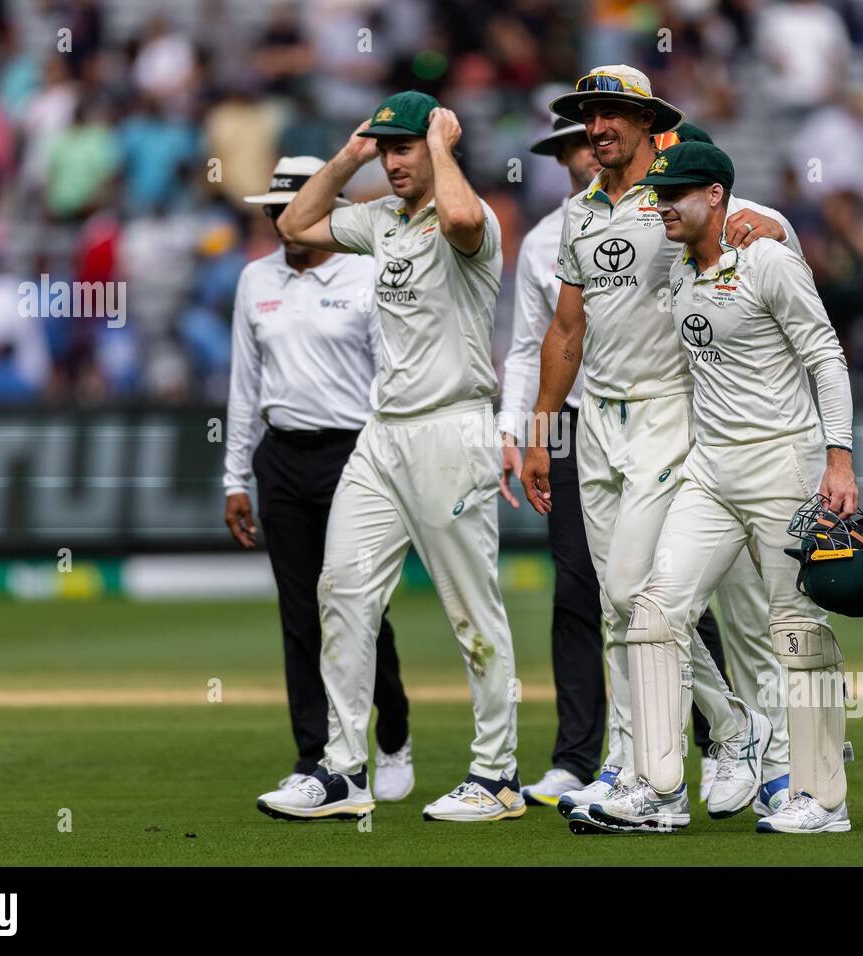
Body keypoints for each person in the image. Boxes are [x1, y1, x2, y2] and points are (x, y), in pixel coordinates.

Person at [521, 65, 798, 833]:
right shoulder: (578, 213)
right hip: (597, 424)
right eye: (589, 116)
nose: (598, 127)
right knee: (621, 606)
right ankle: (674, 748)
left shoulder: (676, 196)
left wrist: (775, 228)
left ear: (648, 123)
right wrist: (546, 431)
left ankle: (674, 764)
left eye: (612, 114)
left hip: (668, 416)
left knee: (634, 598)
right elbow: (566, 331)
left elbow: (758, 226)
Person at [593, 141, 857, 834]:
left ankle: (823, 798)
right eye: (657, 195)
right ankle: (658, 788)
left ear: (715, 195)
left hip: (783, 464)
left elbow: (825, 355)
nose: (661, 208)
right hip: (711, 470)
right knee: (653, 611)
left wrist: (839, 460)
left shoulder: (767, 258)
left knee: (798, 628)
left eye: (675, 194)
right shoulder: (675, 266)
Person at [274, 92, 523, 822]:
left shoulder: (467, 216)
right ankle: (344, 770)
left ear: (437, 144)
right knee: (342, 590)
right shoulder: (380, 218)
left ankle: (497, 775)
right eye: (385, 150)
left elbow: (463, 220)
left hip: (452, 429)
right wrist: (349, 153)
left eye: (402, 147)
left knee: (473, 612)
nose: (392, 160)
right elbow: (295, 222)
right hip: (381, 434)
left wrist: (442, 147)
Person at [223, 156, 413, 820]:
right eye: (275, 210)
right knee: (300, 614)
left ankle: (391, 733)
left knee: (360, 609)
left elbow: (388, 374)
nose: (283, 221)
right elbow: (244, 385)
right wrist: (234, 476)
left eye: (294, 207)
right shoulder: (255, 279)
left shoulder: (364, 272)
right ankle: (315, 758)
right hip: (282, 457)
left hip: (354, 453)